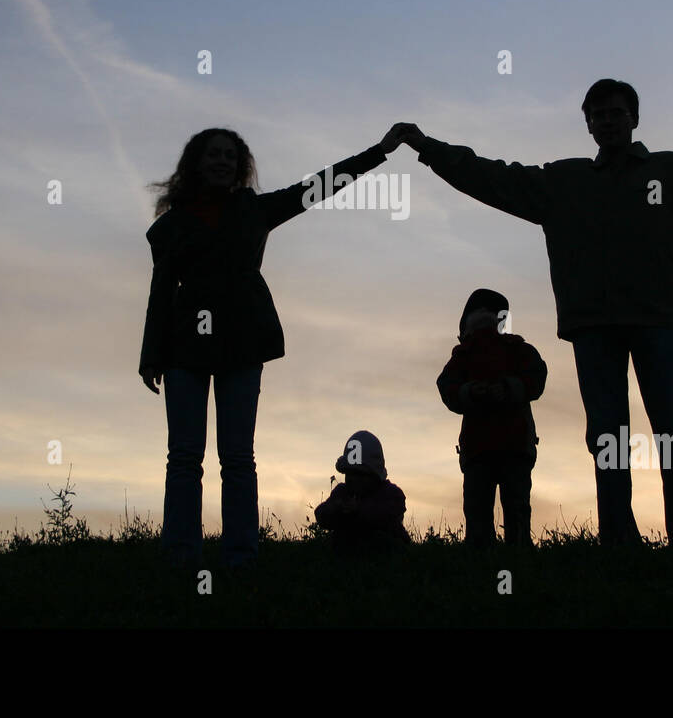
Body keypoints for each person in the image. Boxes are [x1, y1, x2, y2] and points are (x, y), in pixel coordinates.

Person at [387, 79, 673, 548]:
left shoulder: (670, 171)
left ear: (634, 118)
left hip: (655, 320)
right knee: (607, 437)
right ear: (588, 125)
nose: (608, 121)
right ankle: (618, 540)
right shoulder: (565, 181)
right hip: (593, 326)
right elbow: (492, 177)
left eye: (616, 112)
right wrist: (427, 147)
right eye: (598, 115)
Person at [139, 126, 402, 569]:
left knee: (238, 457)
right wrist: (151, 355)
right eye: (213, 154)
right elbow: (161, 291)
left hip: (242, 342)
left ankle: (240, 558)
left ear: (239, 166)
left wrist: (378, 152)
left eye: (230, 155)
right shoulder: (170, 227)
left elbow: (318, 186)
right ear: (196, 164)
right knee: (184, 457)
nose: (222, 161)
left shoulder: (255, 210)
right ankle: (180, 558)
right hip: (185, 345)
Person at [436, 288, 547, 547]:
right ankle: (510, 555)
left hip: (493, 448)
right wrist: (475, 392)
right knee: (506, 509)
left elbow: (447, 386)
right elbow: (536, 377)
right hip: (504, 447)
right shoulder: (514, 349)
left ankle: (490, 555)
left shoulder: (471, 354)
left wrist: (501, 389)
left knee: (489, 510)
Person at [313, 430, 412, 552]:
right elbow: (321, 514)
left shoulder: (391, 493)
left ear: (373, 475)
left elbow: (387, 513)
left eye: (359, 474)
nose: (352, 479)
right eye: (349, 473)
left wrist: (358, 510)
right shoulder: (343, 492)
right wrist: (337, 508)